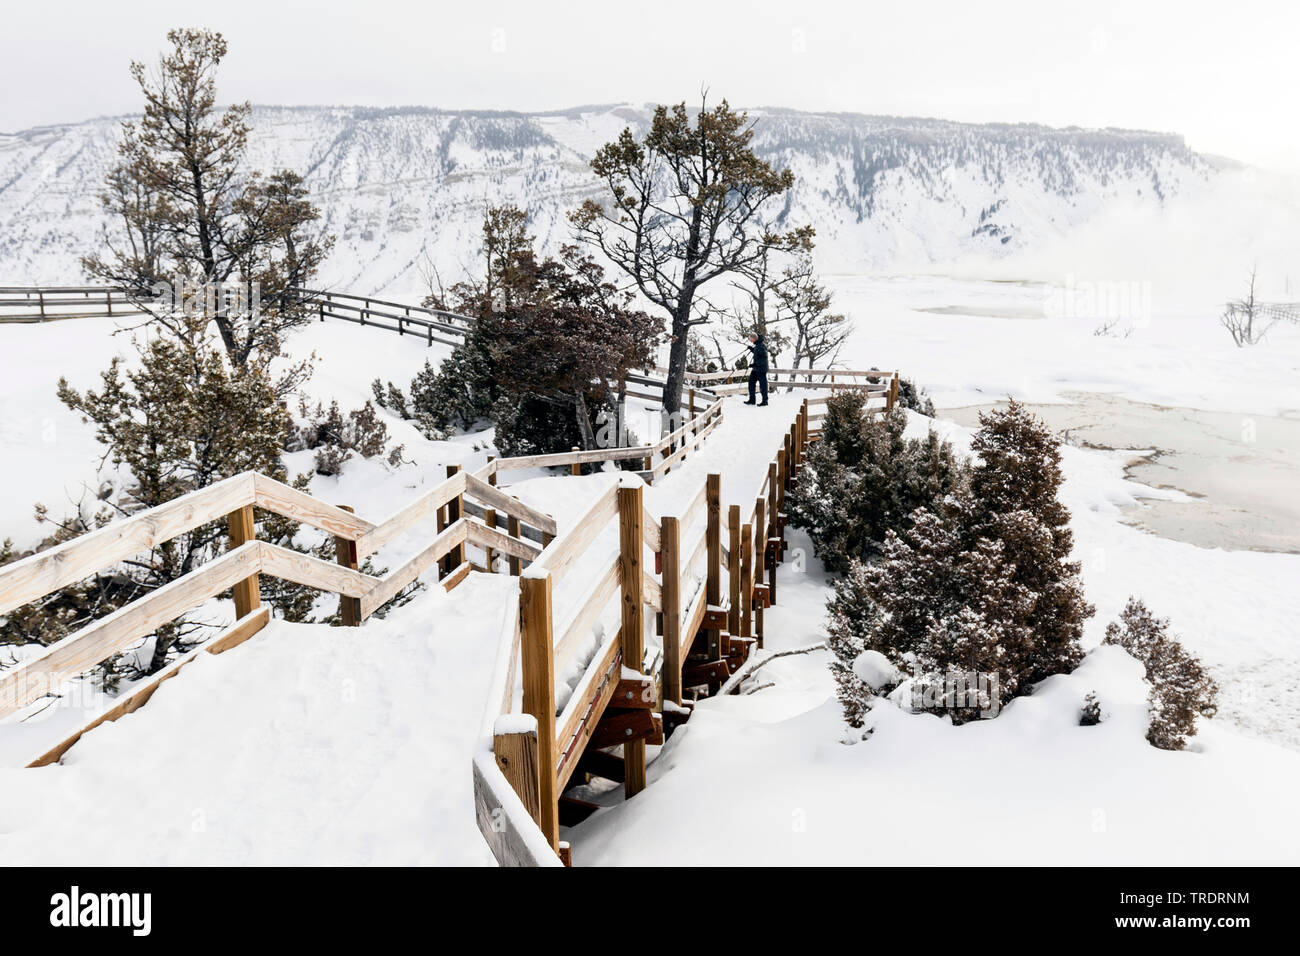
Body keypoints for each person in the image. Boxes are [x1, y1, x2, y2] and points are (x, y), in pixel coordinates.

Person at [744, 331, 769, 406]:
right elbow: (757, 353)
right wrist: (751, 349)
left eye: (750, 339)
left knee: (763, 386)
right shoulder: (757, 345)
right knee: (751, 383)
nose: (750, 340)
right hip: (756, 369)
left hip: (761, 369)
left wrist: (755, 364)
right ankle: (752, 400)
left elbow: (764, 357)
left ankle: (765, 401)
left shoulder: (761, 345)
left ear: (754, 339)